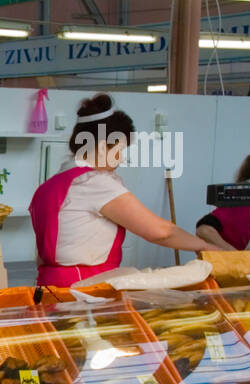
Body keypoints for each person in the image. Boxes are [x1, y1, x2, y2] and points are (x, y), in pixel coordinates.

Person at [29, 93, 212, 287]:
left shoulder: (50, 186)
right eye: (119, 150)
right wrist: (205, 246)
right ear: (101, 147)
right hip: (85, 289)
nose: (121, 159)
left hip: (50, 286)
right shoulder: (95, 182)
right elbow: (160, 232)